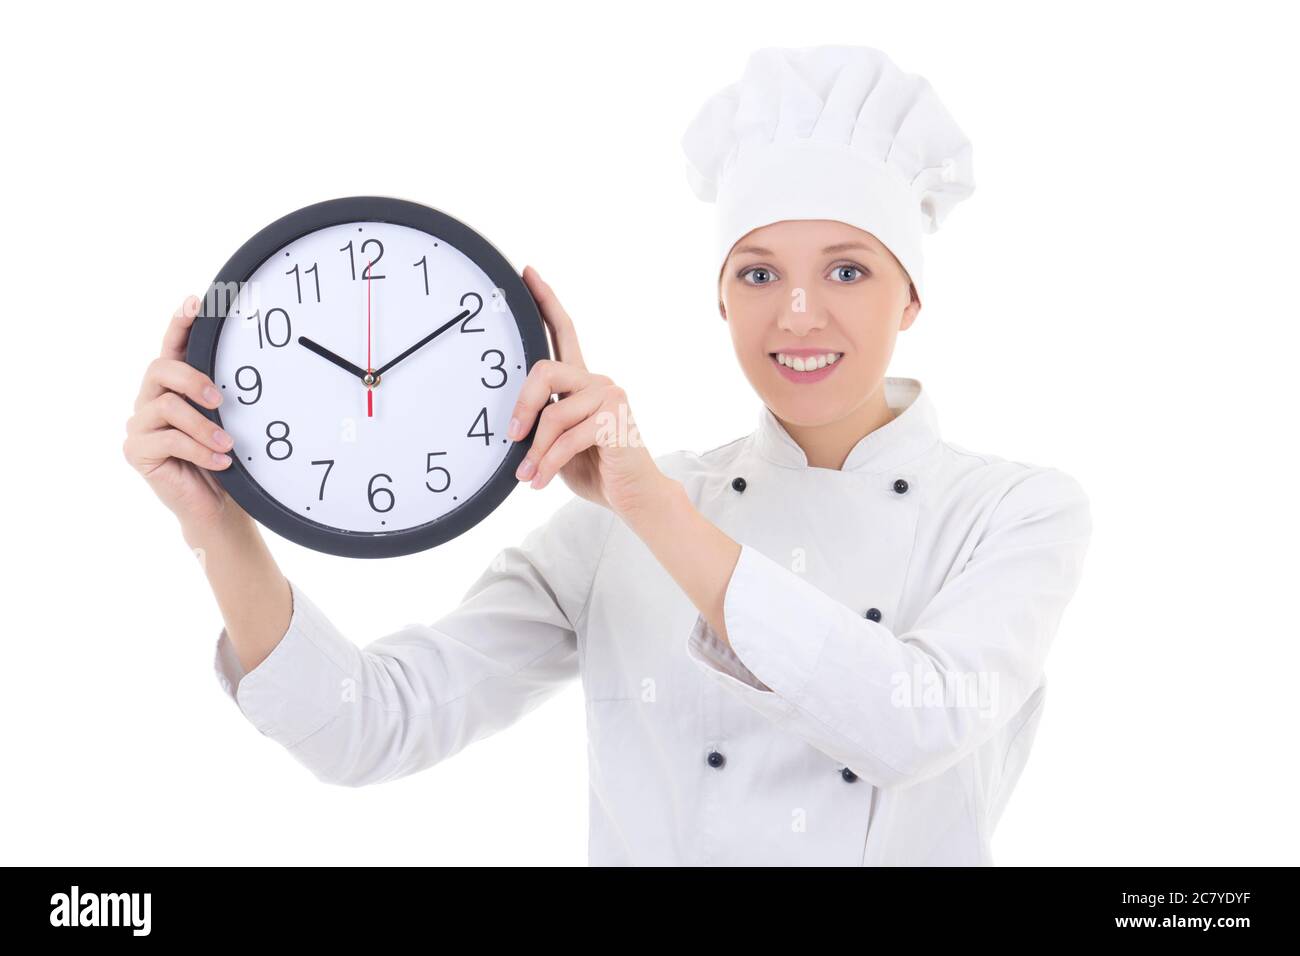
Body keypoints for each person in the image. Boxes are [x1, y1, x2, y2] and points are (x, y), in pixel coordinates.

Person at [122, 45, 1092, 865]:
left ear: (910, 294)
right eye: (758, 272)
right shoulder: (607, 532)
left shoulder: (1016, 509)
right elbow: (367, 724)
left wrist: (652, 503)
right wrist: (218, 526)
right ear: (721, 297)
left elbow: (906, 720)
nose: (798, 312)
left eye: (847, 267)